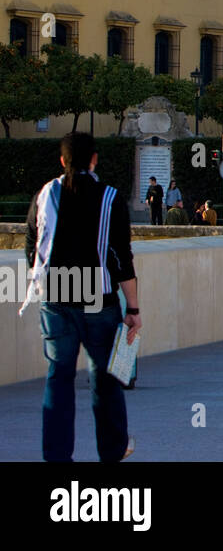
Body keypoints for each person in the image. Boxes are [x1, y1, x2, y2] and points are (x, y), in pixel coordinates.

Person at [23, 132, 140, 462]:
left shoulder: (46, 195)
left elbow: (32, 247)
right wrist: (133, 307)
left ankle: (57, 457)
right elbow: (121, 258)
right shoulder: (110, 198)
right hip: (98, 298)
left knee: (58, 377)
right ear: (95, 159)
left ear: (62, 160)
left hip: (56, 297)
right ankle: (112, 451)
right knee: (105, 379)